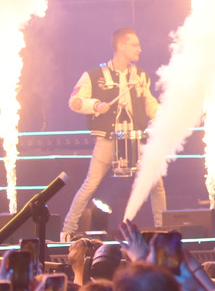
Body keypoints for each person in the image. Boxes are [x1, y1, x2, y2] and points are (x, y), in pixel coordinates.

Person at [61, 29, 166, 240]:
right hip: (108, 140)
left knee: (156, 184)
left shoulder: (141, 76)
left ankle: (163, 229)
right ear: (121, 46)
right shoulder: (94, 76)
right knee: (90, 184)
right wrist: (95, 105)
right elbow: (74, 101)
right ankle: (67, 230)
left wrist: (165, 116)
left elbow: (149, 102)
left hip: (136, 138)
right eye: (135, 44)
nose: (140, 49)